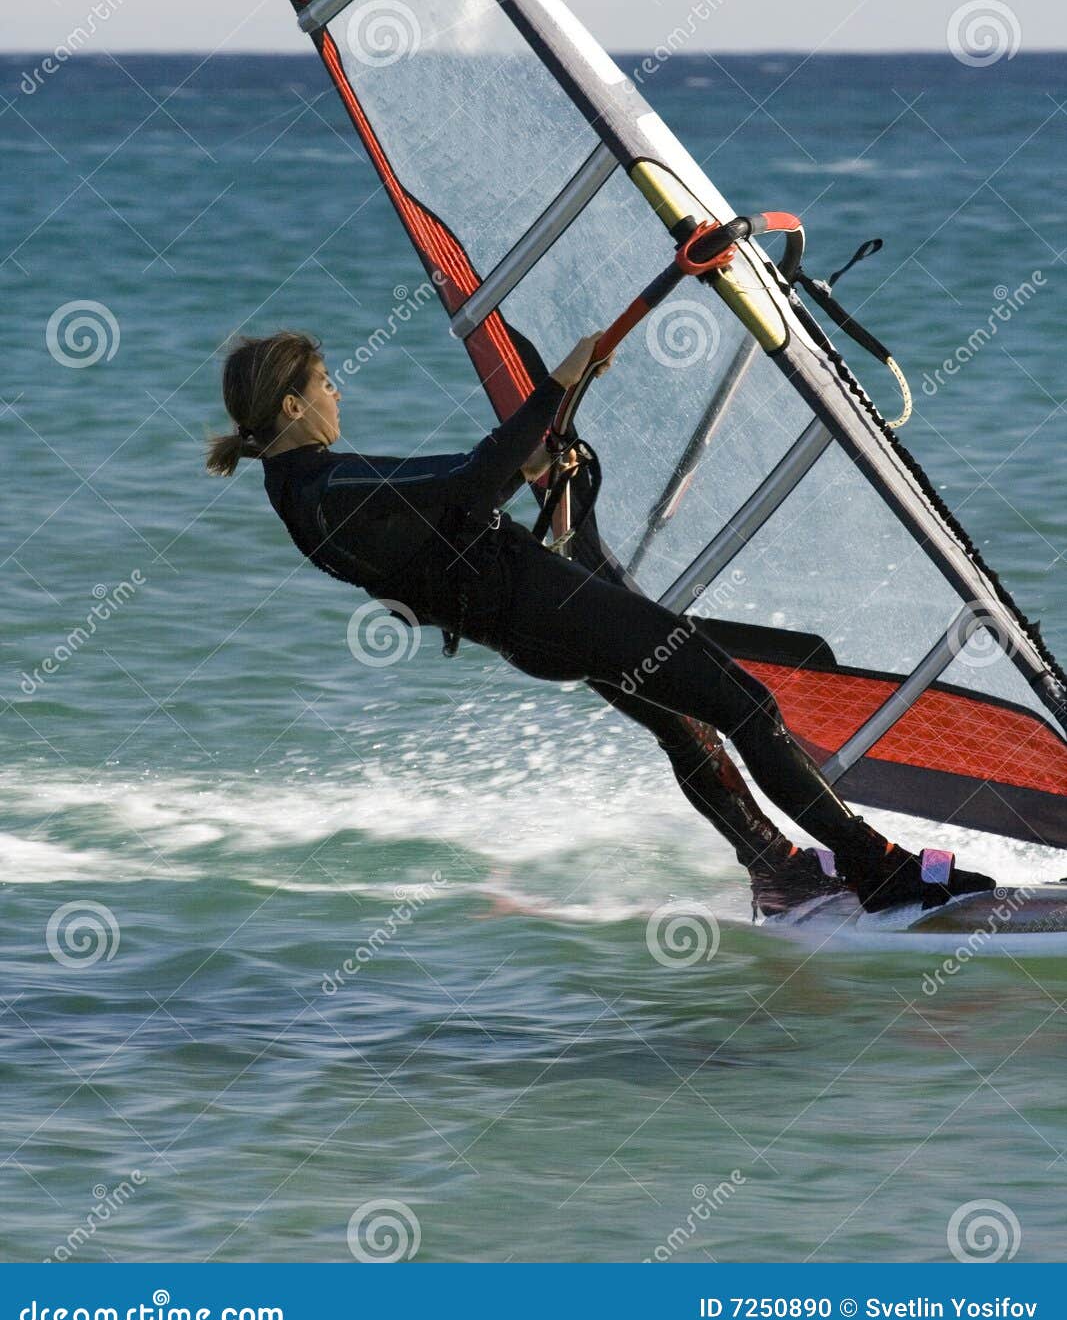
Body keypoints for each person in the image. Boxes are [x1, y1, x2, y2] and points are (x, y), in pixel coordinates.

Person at [207, 329, 994, 916]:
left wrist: (536, 465)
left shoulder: (303, 492)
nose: (337, 394)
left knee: (684, 728)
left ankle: (777, 866)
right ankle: (876, 869)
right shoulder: (330, 486)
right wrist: (556, 384)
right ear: (291, 405)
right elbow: (469, 481)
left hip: (532, 625)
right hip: (549, 610)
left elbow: (452, 511)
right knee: (744, 704)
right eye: (326, 383)